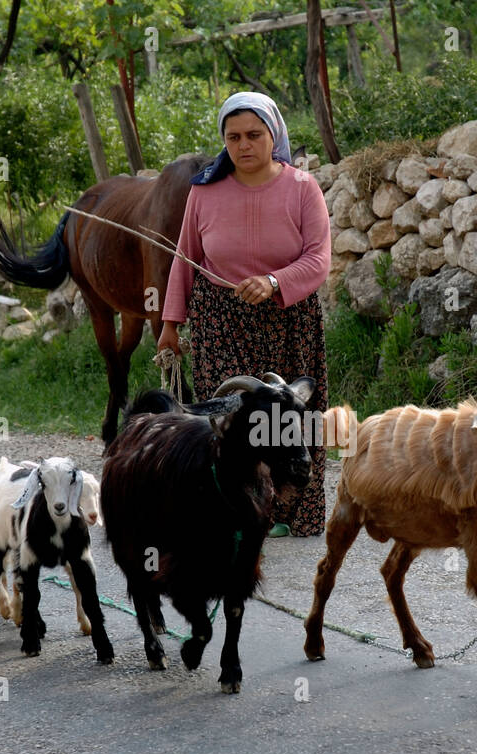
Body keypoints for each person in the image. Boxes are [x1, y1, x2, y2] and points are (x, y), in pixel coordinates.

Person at [159, 91, 332, 537]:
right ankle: (231, 506)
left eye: (254, 134)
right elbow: (185, 258)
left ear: (273, 134)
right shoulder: (204, 191)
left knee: (286, 414)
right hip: (220, 317)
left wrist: (274, 282)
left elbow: (318, 259)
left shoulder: (301, 187)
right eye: (233, 136)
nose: (243, 144)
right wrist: (170, 324)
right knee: (230, 416)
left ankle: (286, 511)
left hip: (287, 318)